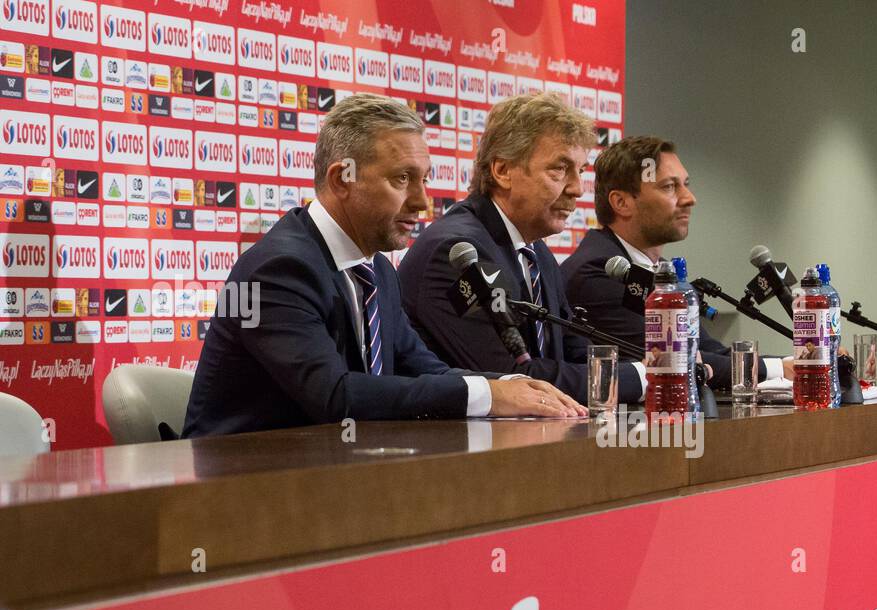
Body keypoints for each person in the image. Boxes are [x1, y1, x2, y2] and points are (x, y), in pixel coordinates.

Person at [183, 94, 581, 438]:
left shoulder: (377, 272)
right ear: (343, 179)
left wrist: (513, 385)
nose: (422, 202)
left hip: (328, 478)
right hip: (237, 491)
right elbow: (333, 396)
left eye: (423, 180)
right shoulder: (277, 270)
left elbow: (424, 369)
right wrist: (487, 396)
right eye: (402, 179)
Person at [397, 93, 646, 405]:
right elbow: (513, 378)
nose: (577, 188)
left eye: (580, 171)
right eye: (560, 168)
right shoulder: (457, 252)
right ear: (503, 171)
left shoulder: (535, 251)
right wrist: (640, 378)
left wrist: (646, 366)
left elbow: (573, 347)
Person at [560, 136, 784, 385]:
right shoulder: (596, 273)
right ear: (621, 202)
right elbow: (674, 360)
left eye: (685, 184)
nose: (689, 198)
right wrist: (786, 367)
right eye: (669, 187)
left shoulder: (663, 273)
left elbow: (712, 352)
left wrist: (795, 361)